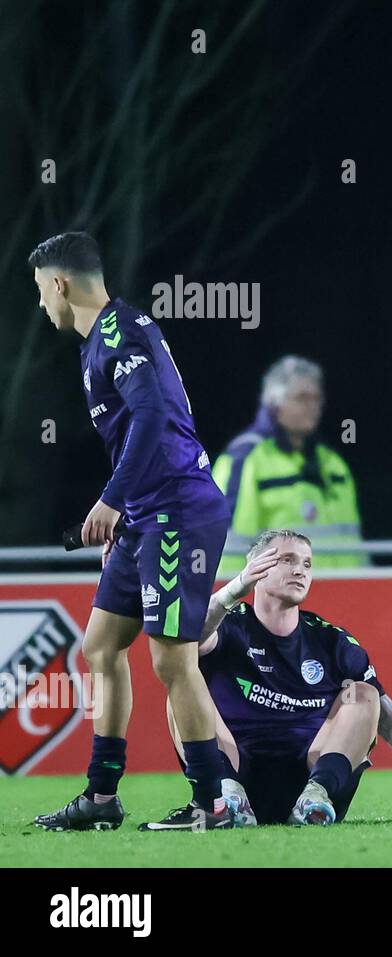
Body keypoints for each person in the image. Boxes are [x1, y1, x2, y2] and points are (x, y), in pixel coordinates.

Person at [29, 231, 235, 832]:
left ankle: (212, 803)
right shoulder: (100, 343)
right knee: (99, 646)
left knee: (172, 658)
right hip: (145, 513)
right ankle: (101, 797)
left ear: (61, 284)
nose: (43, 304)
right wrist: (125, 513)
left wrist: (111, 502)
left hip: (175, 509)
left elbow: (151, 417)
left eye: (42, 290)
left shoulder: (120, 333)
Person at [181, 529, 392, 826]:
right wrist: (235, 589)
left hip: (310, 782)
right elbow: (187, 637)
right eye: (287, 560)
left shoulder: (332, 642)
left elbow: (390, 720)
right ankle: (228, 799)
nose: (299, 570)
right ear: (256, 569)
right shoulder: (228, 626)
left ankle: (315, 799)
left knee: (364, 694)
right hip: (236, 774)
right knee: (181, 681)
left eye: (306, 564)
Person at [212, 356, 365, 573]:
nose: (313, 406)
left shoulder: (333, 464)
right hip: (282, 599)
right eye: (302, 398)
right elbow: (230, 545)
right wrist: (231, 601)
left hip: (346, 595)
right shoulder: (245, 459)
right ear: (275, 403)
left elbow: (355, 544)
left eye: (317, 398)